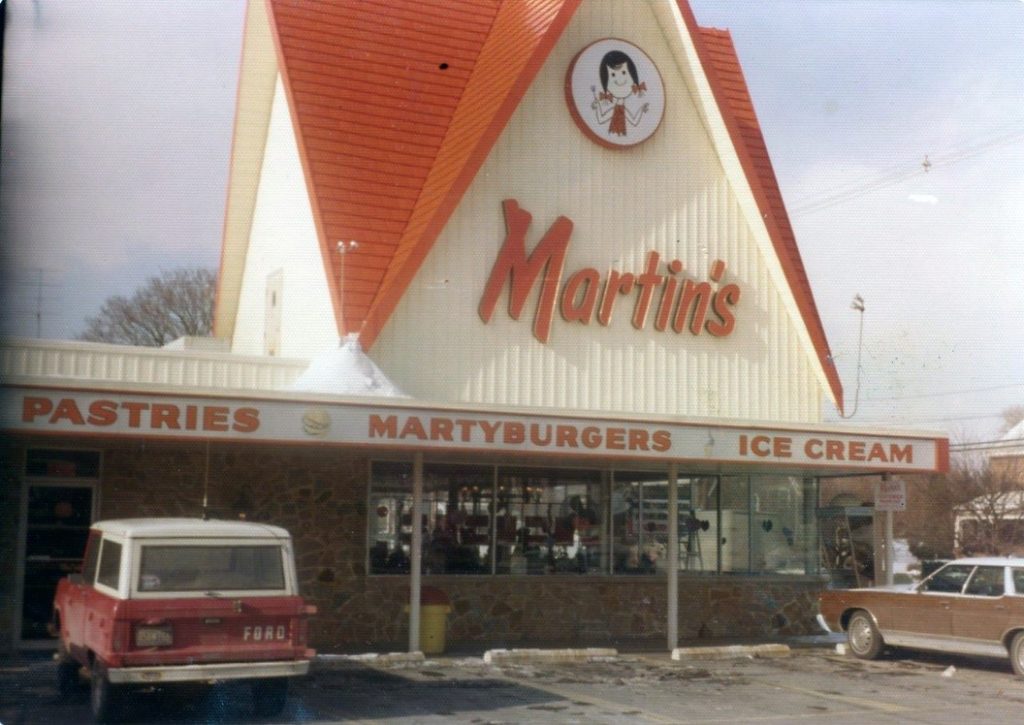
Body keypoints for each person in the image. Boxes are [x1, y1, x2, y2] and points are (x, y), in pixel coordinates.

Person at [591, 50, 650, 137]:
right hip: (612, 135)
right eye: (613, 75)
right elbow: (600, 119)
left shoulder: (622, 110)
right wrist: (597, 107)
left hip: (620, 135)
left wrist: (641, 109)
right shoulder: (616, 110)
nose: (619, 80)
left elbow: (634, 121)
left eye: (623, 72)